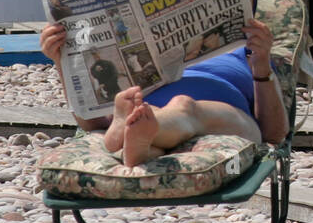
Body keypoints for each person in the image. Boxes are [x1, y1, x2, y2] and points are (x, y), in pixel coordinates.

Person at [39, 19, 287, 167]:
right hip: (150, 109)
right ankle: (139, 141)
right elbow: (90, 122)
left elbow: (274, 133)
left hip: (226, 115)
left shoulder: (244, 48)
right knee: (152, 118)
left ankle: (135, 129)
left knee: (183, 106)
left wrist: (262, 61)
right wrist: (61, 59)